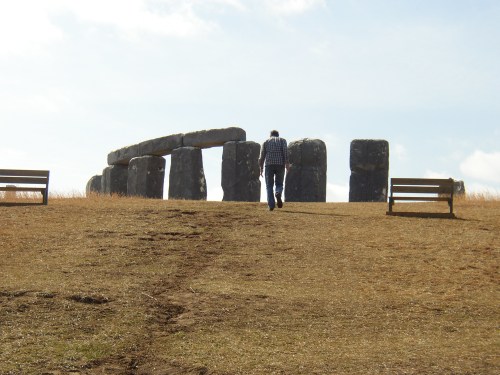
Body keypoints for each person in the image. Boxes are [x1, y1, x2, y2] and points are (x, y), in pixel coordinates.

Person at [259, 130, 290, 211]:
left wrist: (261, 168)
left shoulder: (266, 142)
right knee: (279, 183)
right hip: (280, 164)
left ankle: (271, 205)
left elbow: (261, 156)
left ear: (270, 135)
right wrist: (287, 164)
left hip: (269, 165)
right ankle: (278, 192)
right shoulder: (282, 140)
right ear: (278, 135)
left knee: (269, 186)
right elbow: (285, 152)